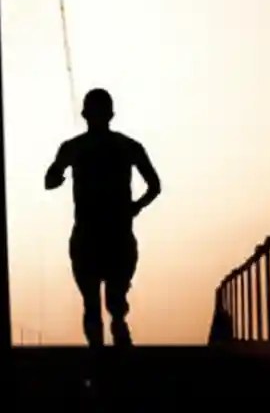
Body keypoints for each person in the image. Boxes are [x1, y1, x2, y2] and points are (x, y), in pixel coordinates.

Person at [46, 88, 161, 347]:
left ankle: (99, 352)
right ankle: (116, 336)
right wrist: (136, 206)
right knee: (113, 300)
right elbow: (154, 186)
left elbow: (49, 180)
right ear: (111, 114)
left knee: (94, 303)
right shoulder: (128, 146)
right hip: (116, 234)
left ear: (85, 115)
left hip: (90, 234)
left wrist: (60, 176)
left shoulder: (74, 147)